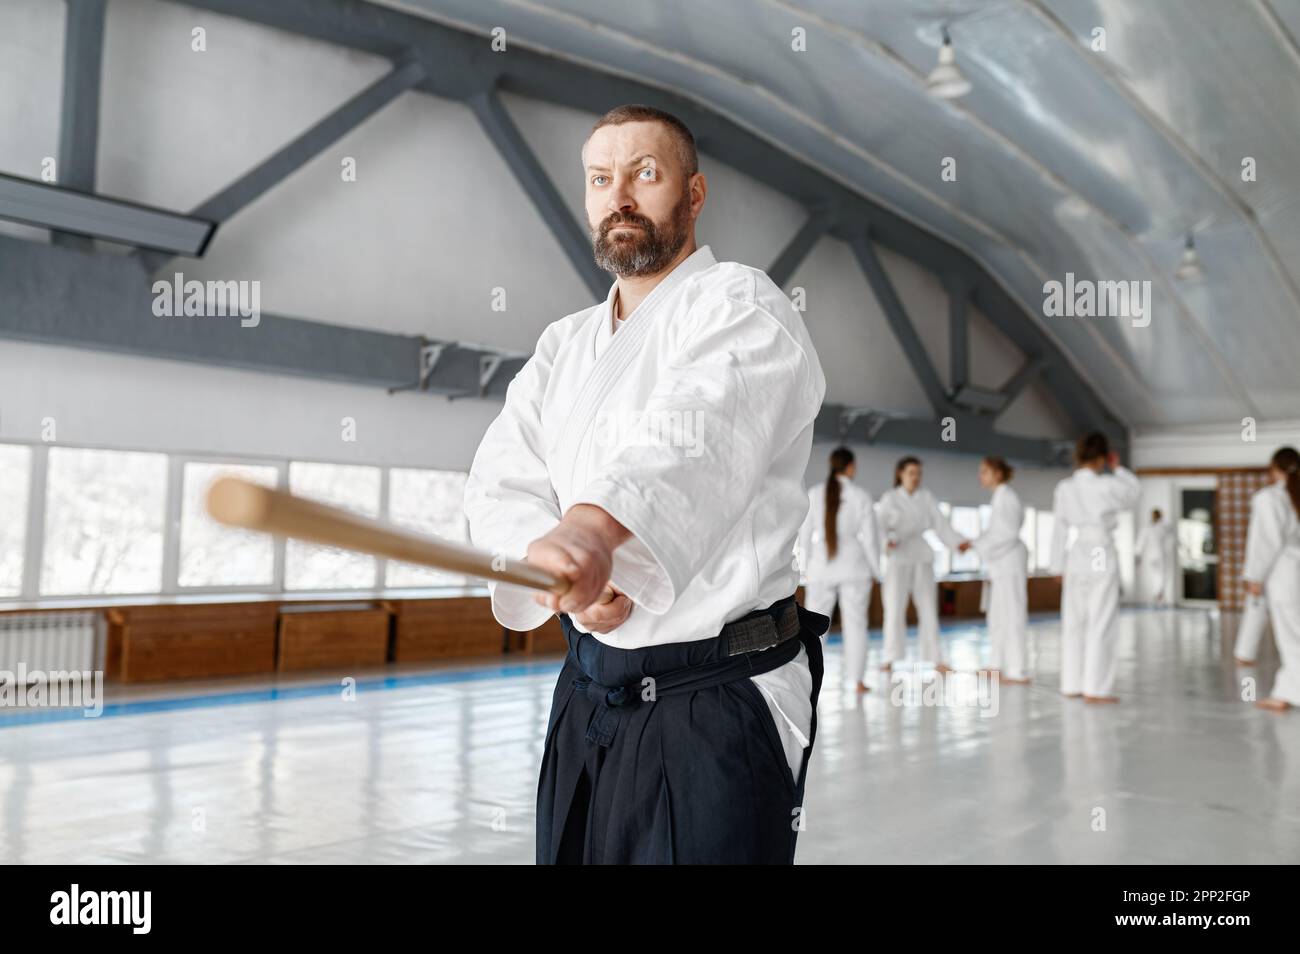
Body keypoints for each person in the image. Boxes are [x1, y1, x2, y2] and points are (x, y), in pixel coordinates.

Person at [463, 104, 828, 864]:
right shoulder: (565, 345)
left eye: (645, 173)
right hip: (588, 688)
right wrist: (552, 558)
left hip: (716, 697)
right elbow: (500, 476)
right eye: (601, 178)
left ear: (693, 196)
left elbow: (697, 437)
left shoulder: (743, 305)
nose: (619, 195)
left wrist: (596, 536)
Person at [1049, 432, 1140, 703]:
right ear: (1103, 458)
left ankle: (1071, 684)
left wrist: (1056, 566)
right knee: (1100, 620)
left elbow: (1059, 528)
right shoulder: (1107, 485)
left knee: (1074, 620)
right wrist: (1119, 468)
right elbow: (1135, 493)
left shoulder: (1065, 487)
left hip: (1077, 552)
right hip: (1100, 549)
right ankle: (1096, 689)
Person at [798, 446, 881, 693]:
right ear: (851, 467)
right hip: (855, 569)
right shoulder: (861, 496)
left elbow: (804, 536)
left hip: (821, 569)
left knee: (814, 629)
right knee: (856, 626)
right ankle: (857, 681)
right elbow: (870, 540)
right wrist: (878, 572)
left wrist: (803, 570)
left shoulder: (814, 492)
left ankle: (809, 681)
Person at [876, 456, 965, 672]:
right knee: (894, 608)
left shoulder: (926, 497)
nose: (916, 478)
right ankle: (889, 658)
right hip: (898, 556)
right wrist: (885, 544)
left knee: (928, 608)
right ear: (901, 474)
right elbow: (878, 528)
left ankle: (937, 659)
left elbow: (941, 525)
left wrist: (957, 542)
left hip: (922, 556)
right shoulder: (890, 498)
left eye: (918, 473)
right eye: (911, 473)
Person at [960, 456, 1030, 683]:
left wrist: (977, 545)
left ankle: (1017, 669)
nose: (981, 476)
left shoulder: (1007, 497)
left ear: (998, 473)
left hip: (1009, 563)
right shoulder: (999, 498)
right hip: (1000, 565)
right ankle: (996, 665)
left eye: (985, 472)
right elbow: (996, 532)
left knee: (1013, 615)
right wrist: (976, 543)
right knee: (998, 616)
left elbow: (1008, 533)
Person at [1243, 447, 1300, 712]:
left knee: (1291, 637)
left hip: (1285, 573)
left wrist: (1255, 576)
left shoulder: (1270, 498)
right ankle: (1286, 691)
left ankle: (1287, 694)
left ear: (1274, 468)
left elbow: (1266, 542)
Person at [1134, 508, 1175, 605]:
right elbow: (1140, 543)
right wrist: (1137, 555)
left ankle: (1158, 596)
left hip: (1154, 556)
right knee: (1159, 576)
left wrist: (1137, 555)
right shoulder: (1159, 528)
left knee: (1158, 576)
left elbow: (1140, 544)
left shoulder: (1159, 528)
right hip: (1158, 556)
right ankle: (1157, 596)